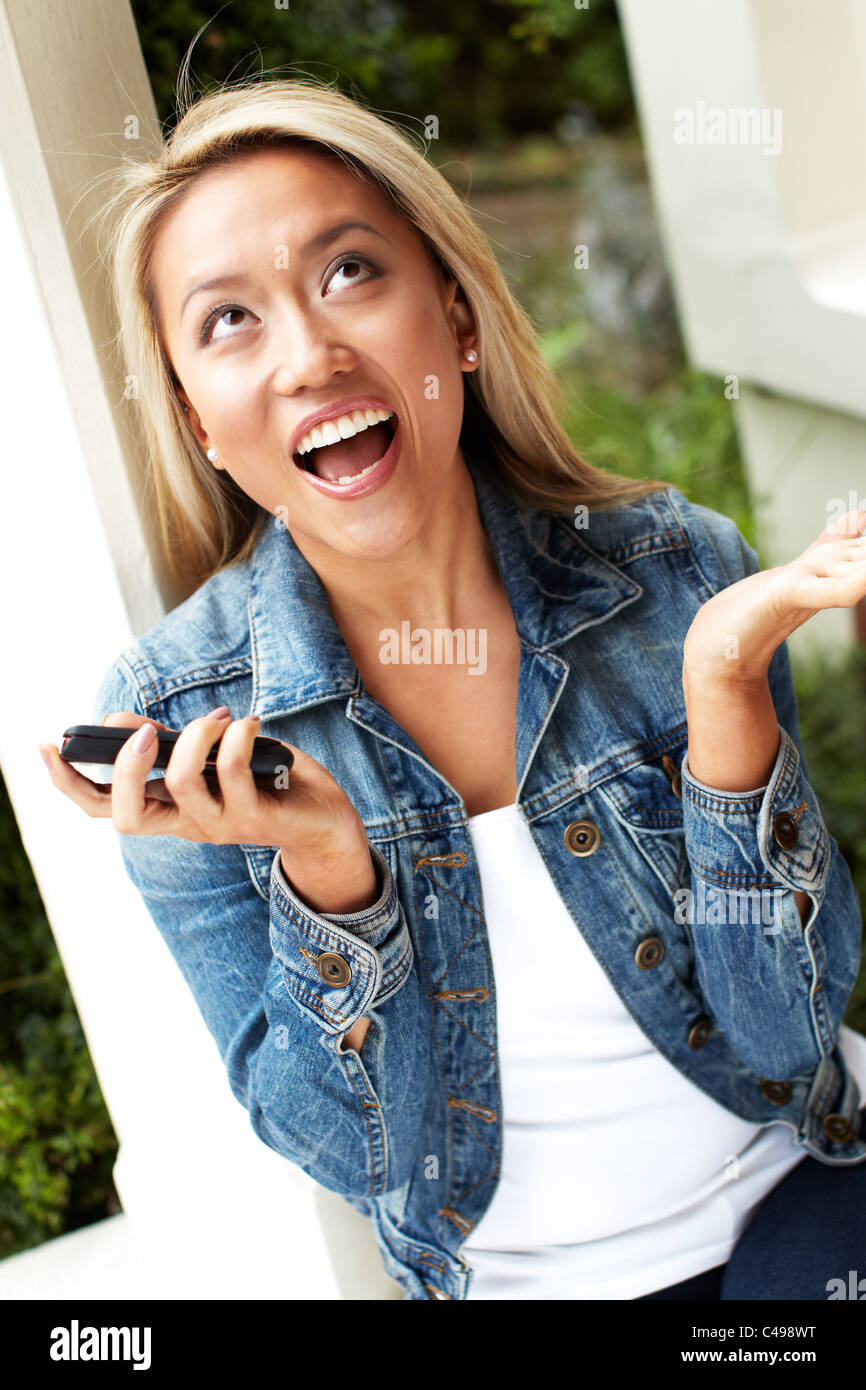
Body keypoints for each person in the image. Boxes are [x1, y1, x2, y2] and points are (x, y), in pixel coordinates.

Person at [40, 75, 866, 1302]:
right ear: (195, 420)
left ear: (457, 317)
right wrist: (334, 872)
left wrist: (724, 683)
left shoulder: (671, 572)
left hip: (804, 1205)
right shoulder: (184, 722)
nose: (311, 353)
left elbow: (787, 1036)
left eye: (348, 272)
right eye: (228, 322)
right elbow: (345, 1150)